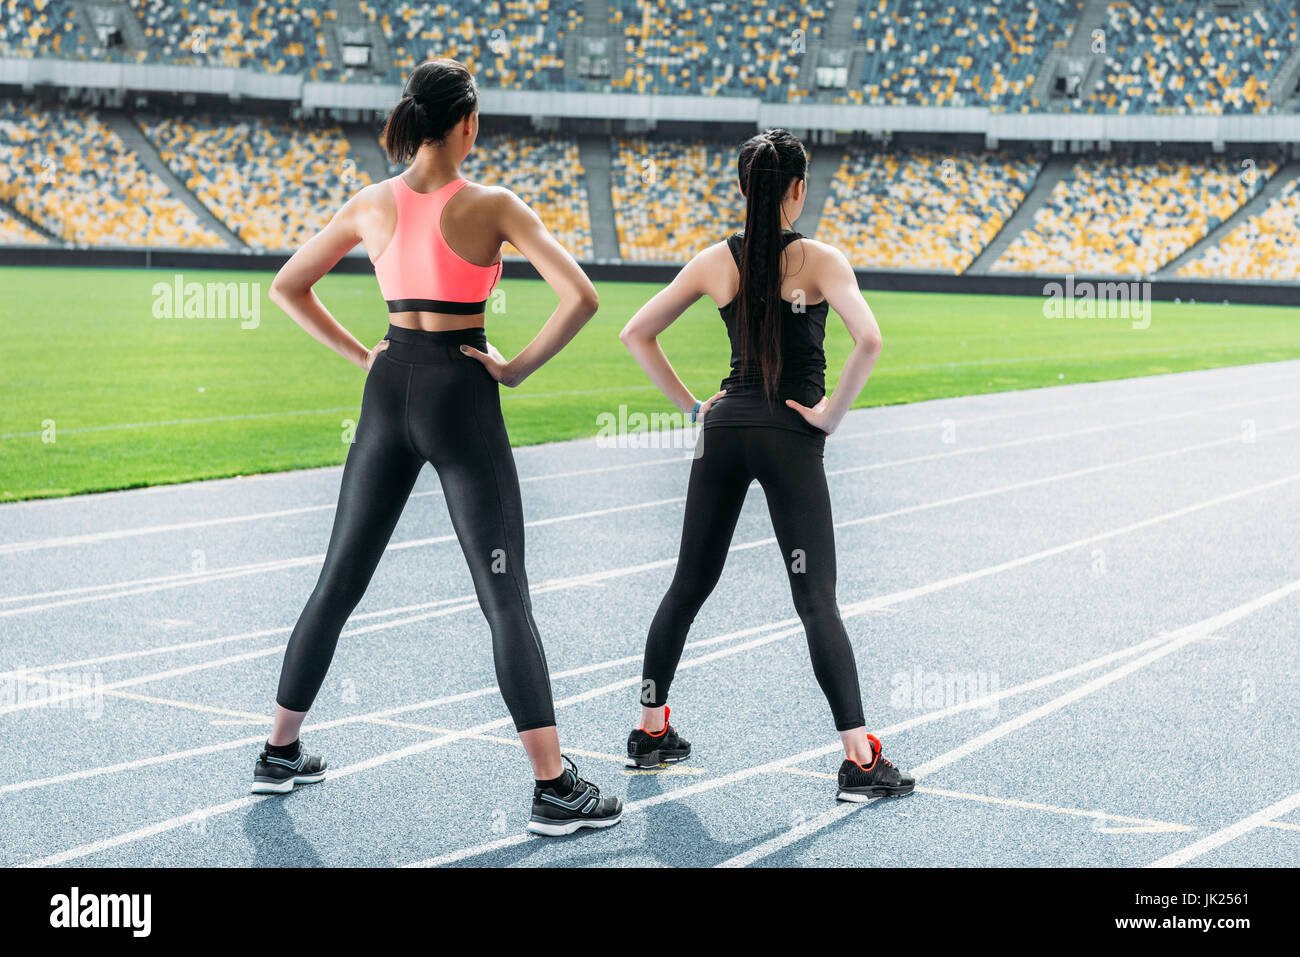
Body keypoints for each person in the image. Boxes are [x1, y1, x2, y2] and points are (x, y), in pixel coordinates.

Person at [252, 58, 621, 836]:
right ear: (467, 124)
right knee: (504, 596)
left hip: (389, 394)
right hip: (462, 392)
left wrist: (364, 358)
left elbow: (288, 284)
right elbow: (581, 296)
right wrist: (515, 368)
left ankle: (278, 750)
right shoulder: (492, 204)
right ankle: (553, 785)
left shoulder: (371, 202)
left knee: (337, 581)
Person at [618, 129, 914, 802]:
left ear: (742, 187)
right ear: (797, 189)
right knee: (815, 600)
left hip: (725, 430)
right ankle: (859, 759)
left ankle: (648, 730)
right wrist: (830, 414)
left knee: (687, 587)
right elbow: (869, 338)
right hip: (789, 432)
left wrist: (695, 405)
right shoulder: (820, 260)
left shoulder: (714, 261)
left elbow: (635, 331)